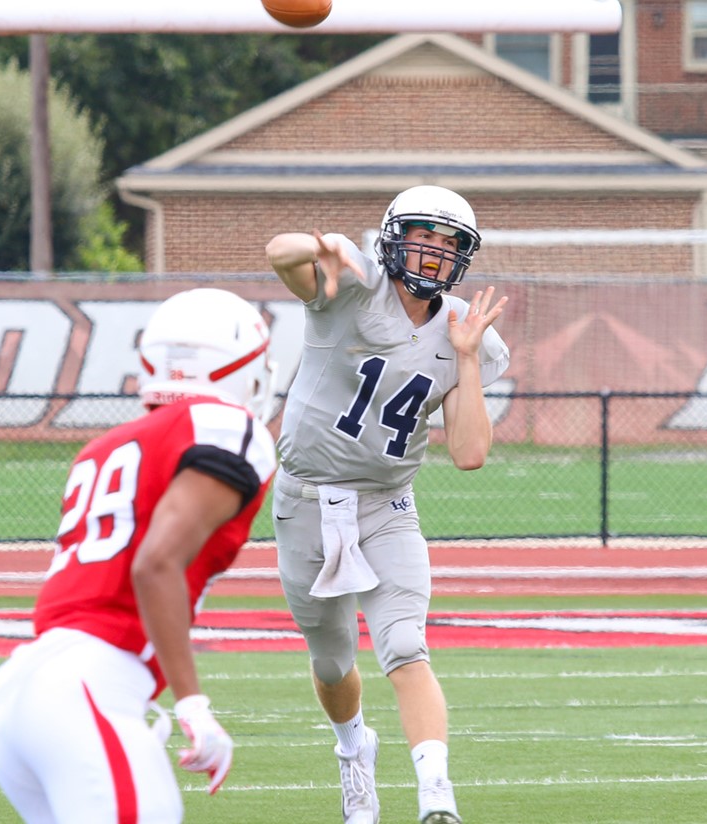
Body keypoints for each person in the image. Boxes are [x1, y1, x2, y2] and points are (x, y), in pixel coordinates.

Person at [0, 288, 278, 824]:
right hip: (90, 692)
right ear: (242, 365)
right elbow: (154, 563)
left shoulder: (107, 446)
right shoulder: (226, 425)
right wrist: (193, 703)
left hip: (30, 695)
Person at [264, 185, 509, 824]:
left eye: (449, 242)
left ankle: (437, 798)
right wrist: (320, 246)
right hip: (307, 500)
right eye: (424, 235)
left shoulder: (467, 332)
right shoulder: (352, 287)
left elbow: (470, 453)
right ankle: (354, 751)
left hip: (385, 504)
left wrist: (467, 361)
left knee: (405, 645)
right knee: (332, 658)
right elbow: (277, 253)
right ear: (395, 236)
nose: (434, 253)